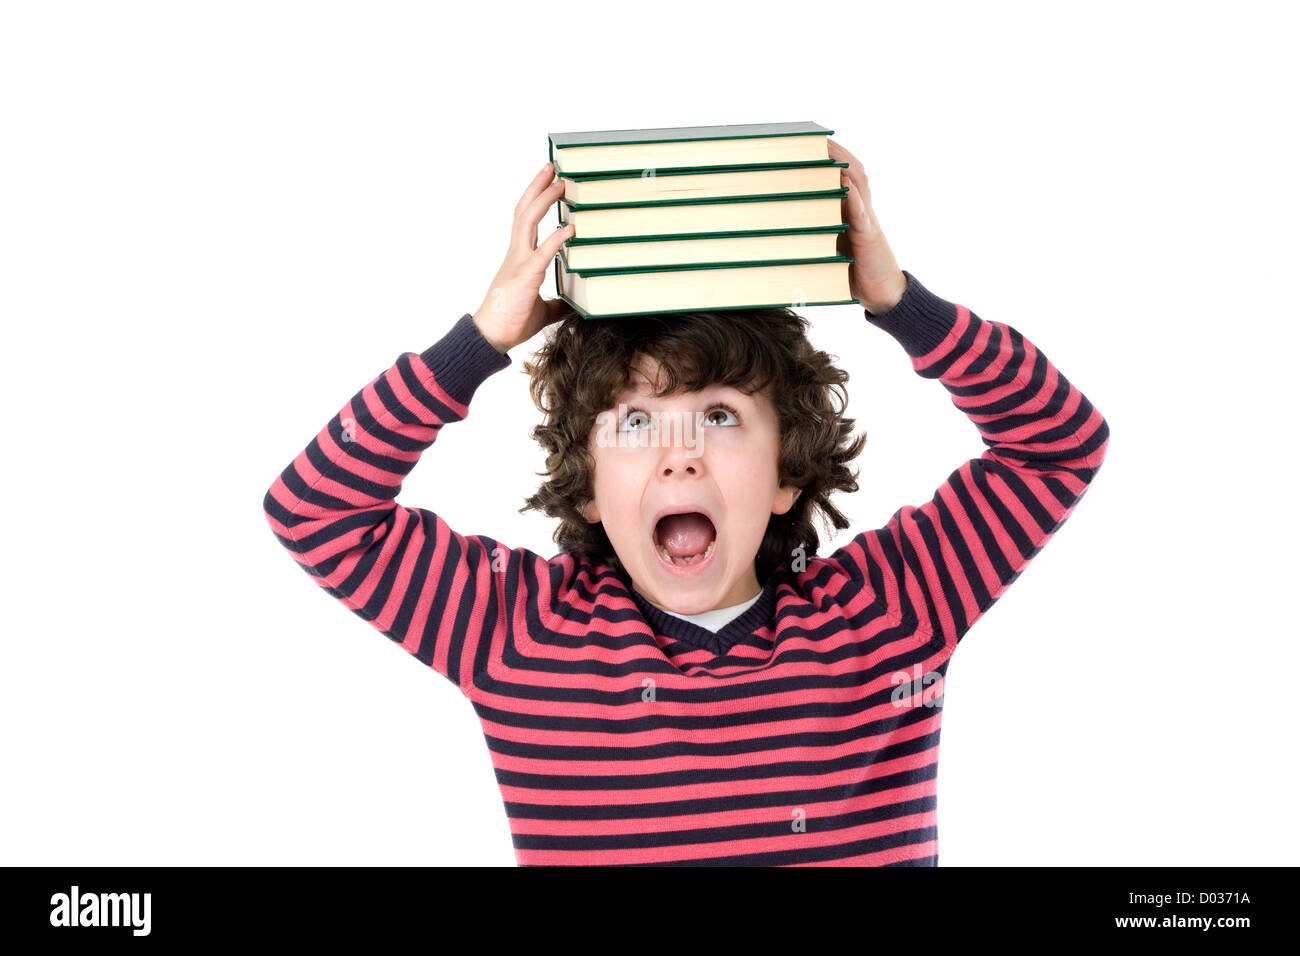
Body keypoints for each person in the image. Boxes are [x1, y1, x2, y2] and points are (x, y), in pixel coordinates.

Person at [262, 139, 1109, 865]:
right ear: (589, 489)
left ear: (787, 475)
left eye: (720, 415)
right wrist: (479, 340)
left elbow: (1059, 446)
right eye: (634, 422)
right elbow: (314, 512)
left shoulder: (889, 613)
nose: (679, 456)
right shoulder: (519, 632)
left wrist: (901, 304)